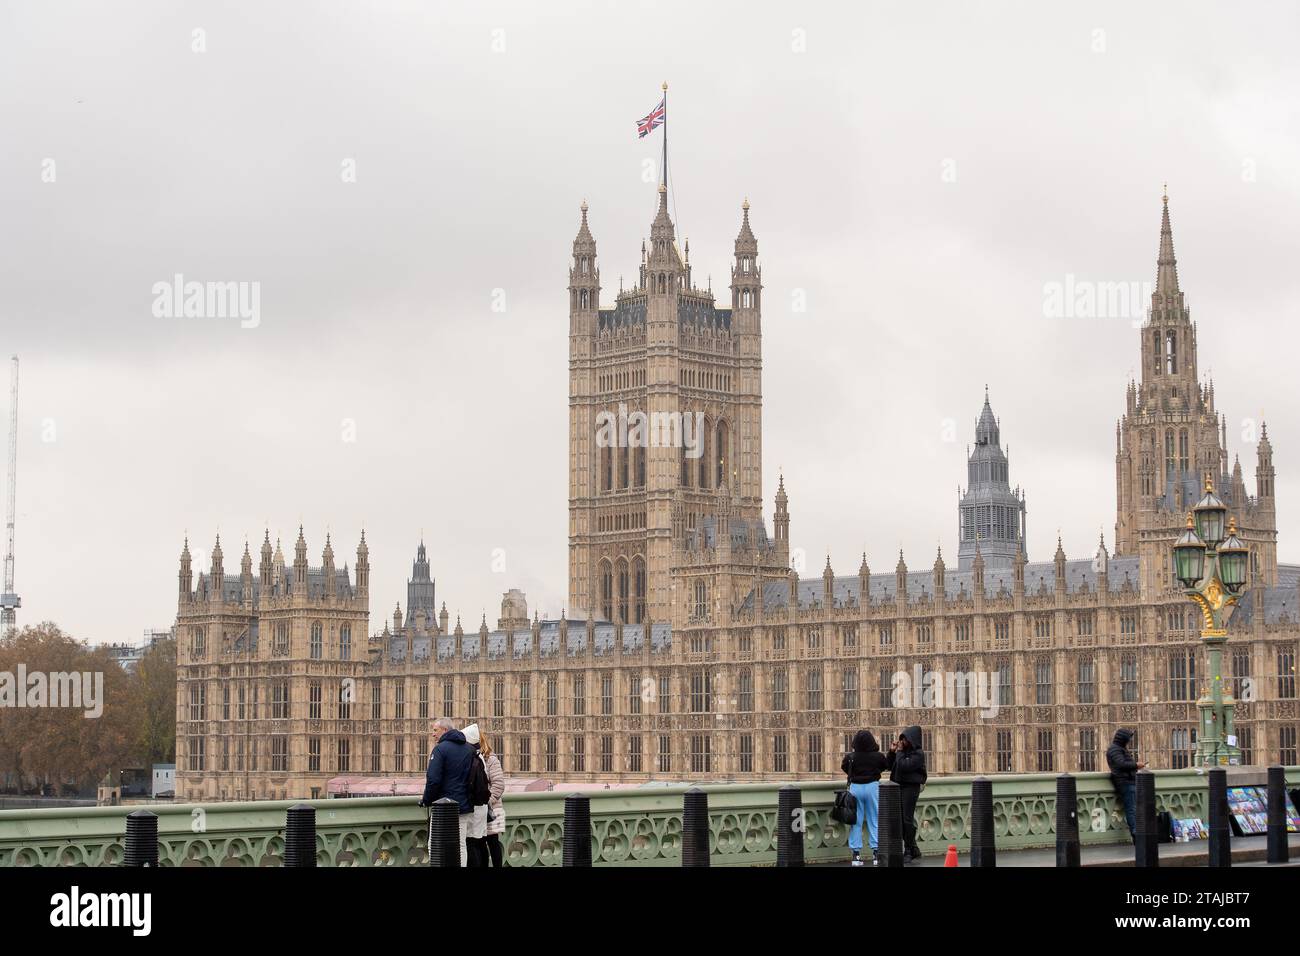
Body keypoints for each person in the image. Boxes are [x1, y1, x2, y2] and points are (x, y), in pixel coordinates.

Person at [419, 717, 475, 866]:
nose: (433, 734)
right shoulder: (469, 749)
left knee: (435, 844)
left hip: (443, 806)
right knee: (461, 844)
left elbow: (433, 780)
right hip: (463, 804)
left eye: (435, 730)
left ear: (445, 730)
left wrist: (426, 800)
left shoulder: (440, 749)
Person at [841, 730, 888, 866]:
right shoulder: (877, 756)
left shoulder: (850, 757)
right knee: (874, 819)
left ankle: (856, 855)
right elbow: (885, 766)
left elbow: (844, 767)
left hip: (856, 788)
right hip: (872, 787)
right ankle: (876, 854)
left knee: (856, 821)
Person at [886, 725, 927, 863]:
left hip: (910, 788)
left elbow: (904, 766)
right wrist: (892, 752)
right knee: (900, 820)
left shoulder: (918, 754)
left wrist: (899, 752)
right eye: (901, 739)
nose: (902, 742)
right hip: (898, 787)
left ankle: (909, 850)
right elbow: (889, 766)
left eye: (905, 739)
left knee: (906, 819)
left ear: (912, 740)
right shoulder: (901, 753)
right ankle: (913, 848)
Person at [1106, 728, 1146, 841]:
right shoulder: (1114, 749)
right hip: (1125, 782)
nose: (1129, 741)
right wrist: (1136, 765)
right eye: (1128, 738)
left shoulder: (1120, 748)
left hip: (1130, 781)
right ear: (1122, 738)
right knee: (1131, 809)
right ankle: (1136, 833)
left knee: (1134, 808)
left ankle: (1137, 832)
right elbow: (1121, 764)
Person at [462, 723, 491, 867]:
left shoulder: (473, 758)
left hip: (475, 808)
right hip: (482, 807)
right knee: (480, 842)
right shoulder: (479, 757)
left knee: (472, 843)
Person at [480, 730, 507, 867]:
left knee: (493, 843)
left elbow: (498, 786)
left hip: (492, 810)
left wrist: (486, 802)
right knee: (480, 843)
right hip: (479, 810)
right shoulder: (473, 759)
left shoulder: (491, 759)